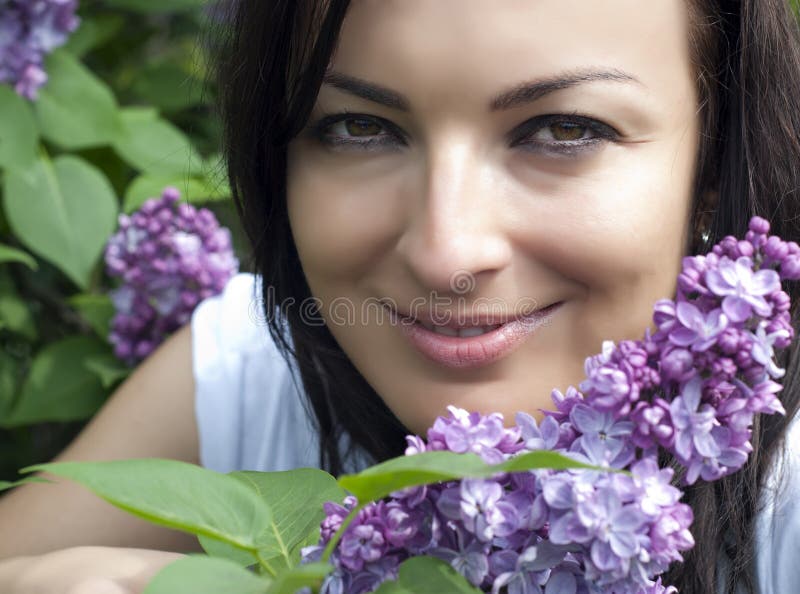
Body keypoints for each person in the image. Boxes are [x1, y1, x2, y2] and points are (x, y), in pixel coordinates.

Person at [1, 1, 799, 592]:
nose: (446, 254)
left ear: (711, 163)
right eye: (359, 128)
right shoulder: (252, 366)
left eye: (563, 130)